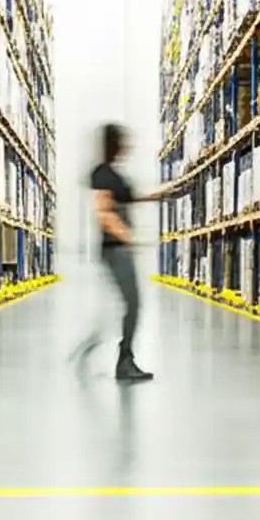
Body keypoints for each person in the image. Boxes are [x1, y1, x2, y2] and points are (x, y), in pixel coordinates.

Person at [75, 124, 163, 381]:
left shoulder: (112, 173)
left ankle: (100, 350)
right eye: (121, 142)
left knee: (125, 306)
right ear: (111, 144)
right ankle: (123, 361)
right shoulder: (103, 174)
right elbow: (104, 212)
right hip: (115, 250)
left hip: (117, 250)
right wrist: (129, 236)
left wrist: (159, 194)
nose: (126, 146)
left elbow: (129, 197)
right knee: (133, 304)